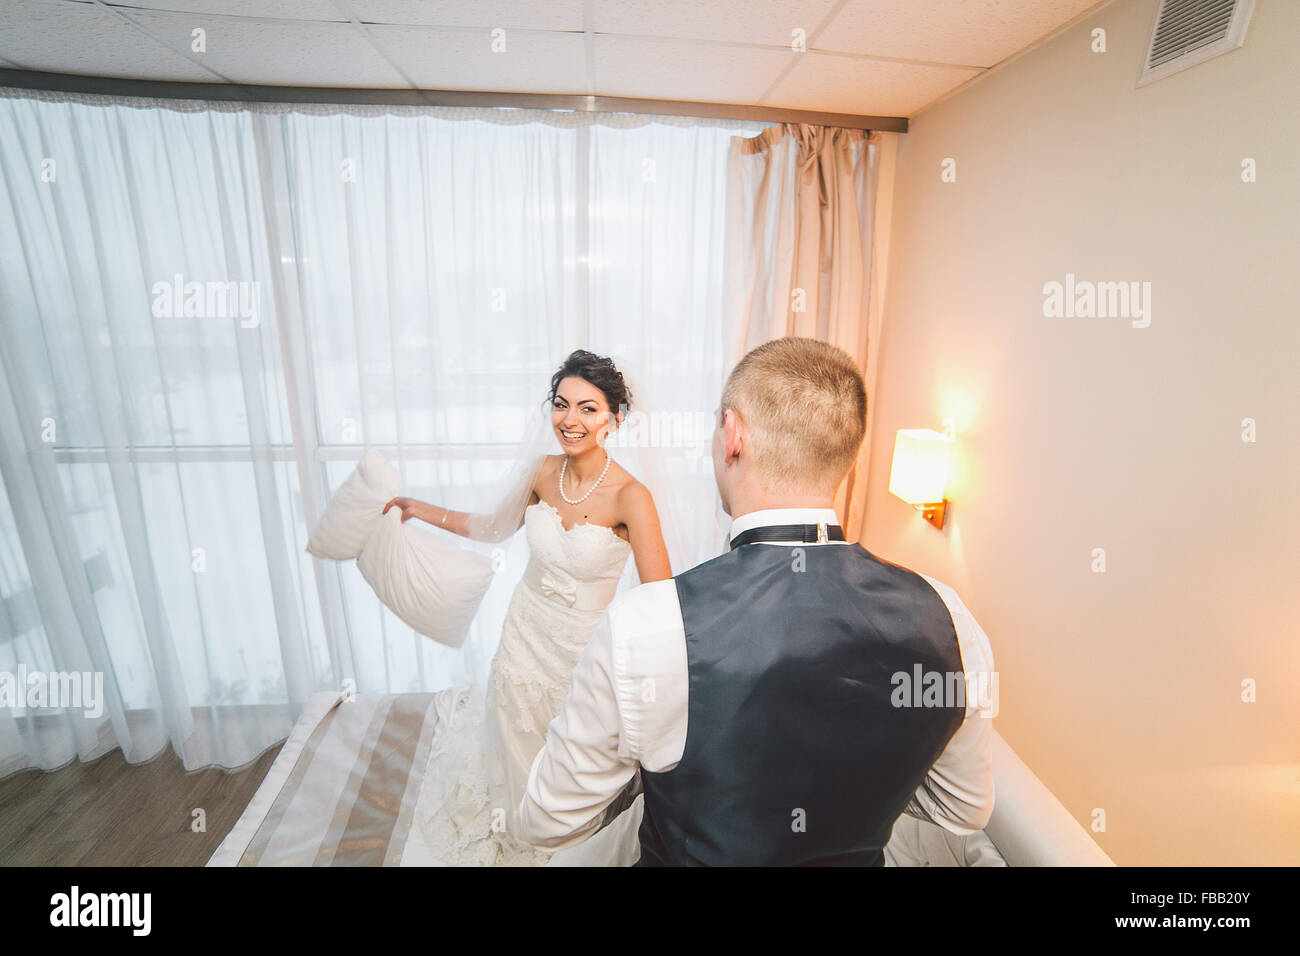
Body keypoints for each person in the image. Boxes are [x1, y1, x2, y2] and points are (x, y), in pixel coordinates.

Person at [516, 336, 996, 865]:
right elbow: (964, 809)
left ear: (733, 436)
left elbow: (546, 821)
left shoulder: (650, 624)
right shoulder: (951, 621)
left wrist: (642, 767)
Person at [384, 349, 671, 865]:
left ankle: (563, 835)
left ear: (615, 419)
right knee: (515, 732)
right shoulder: (542, 472)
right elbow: (491, 528)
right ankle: (516, 822)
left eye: (588, 408)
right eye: (561, 405)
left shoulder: (633, 496)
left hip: (581, 652)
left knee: (572, 748)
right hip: (523, 633)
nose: (570, 419)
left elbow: (660, 599)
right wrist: (418, 508)